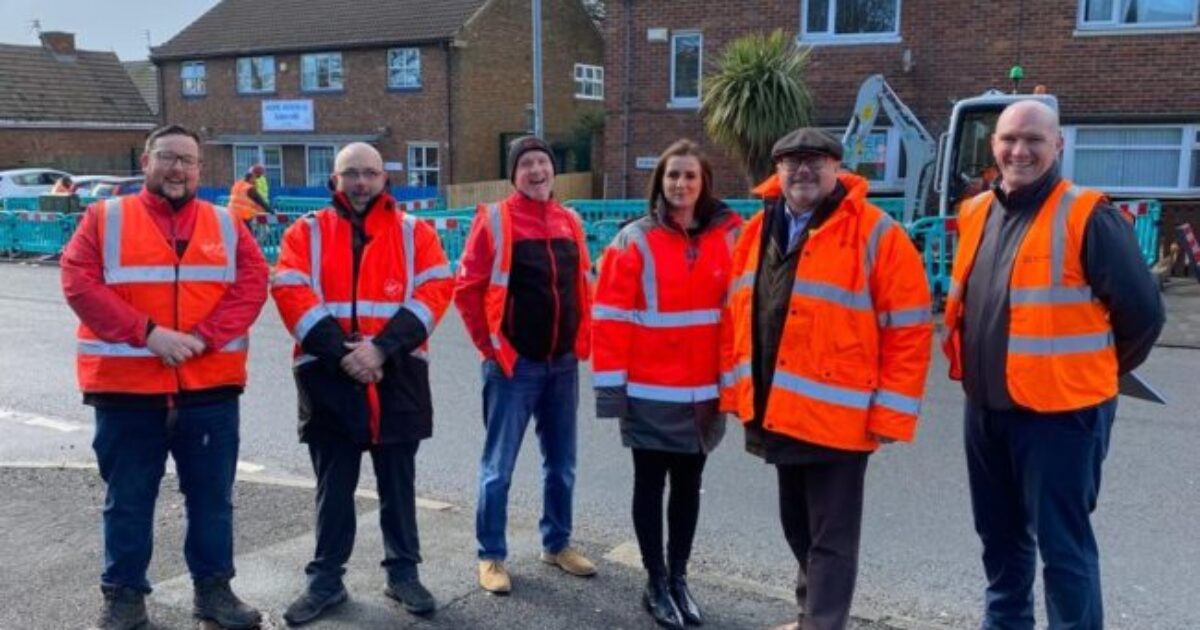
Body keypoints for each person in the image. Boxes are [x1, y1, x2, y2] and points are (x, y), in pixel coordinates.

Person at [943, 100, 1164, 630]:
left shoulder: (1088, 214)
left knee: (1064, 551)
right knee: (1000, 541)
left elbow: (1144, 315)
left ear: (1058, 146)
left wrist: (1091, 372)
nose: (1019, 150)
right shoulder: (976, 212)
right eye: (1009, 139)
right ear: (993, 145)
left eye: (1034, 140)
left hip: (1063, 414)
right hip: (987, 408)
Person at [718, 128, 933, 630]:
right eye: (792, 161)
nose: (803, 170)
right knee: (798, 527)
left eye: (815, 160)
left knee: (831, 539)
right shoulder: (757, 230)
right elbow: (736, 317)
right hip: (776, 410)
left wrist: (890, 414)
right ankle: (809, 614)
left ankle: (822, 622)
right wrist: (735, 393)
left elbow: (908, 329)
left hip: (841, 419)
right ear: (777, 171)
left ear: (838, 168)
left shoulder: (876, 233)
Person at [60, 124, 268, 630]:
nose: (178, 169)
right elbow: (78, 282)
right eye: (168, 158)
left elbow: (252, 283)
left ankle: (214, 592)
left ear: (199, 168)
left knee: (213, 501)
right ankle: (124, 599)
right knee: (129, 501)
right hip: (127, 391)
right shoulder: (105, 217)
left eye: (187, 161)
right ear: (146, 162)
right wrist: (149, 334)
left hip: (209, 389)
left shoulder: (225, 223)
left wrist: (202, 338)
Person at [272, 143, 453, 625]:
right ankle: (326, 581)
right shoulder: (306, 232)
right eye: (350, 173)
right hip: (328, 374)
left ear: (384, 179)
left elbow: (437, 290)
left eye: (370, 173)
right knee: (334, 487)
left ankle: (404, 573)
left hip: (398, 372)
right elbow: (290, 290)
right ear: (334, 180)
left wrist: (381, 349)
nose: (360, 182)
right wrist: (346, 353)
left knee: (398, 482)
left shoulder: (415, 232)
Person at [592, 139, 742, 629]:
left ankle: (678, 578)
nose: (681, 184)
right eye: (673, 175)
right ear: (660, 181)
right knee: (649, 485)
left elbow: (742, 314)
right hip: (649, 392)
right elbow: (609, 319)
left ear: (704, 183)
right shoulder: (633, 240)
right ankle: (655, 581)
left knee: (688, 489)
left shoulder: (731, 237)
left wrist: (738, 385)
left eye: (690, 175)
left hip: (704, 394)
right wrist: (611, 392)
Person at [454, 135, 596, 595]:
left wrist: (580, 342)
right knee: (498, 468)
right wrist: (492, 350)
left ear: (553, 169)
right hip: (514, 366)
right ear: (514, 175)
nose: (537, 171)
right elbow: (467, 290)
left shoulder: (570, 220)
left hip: (562, 364)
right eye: (526, 164)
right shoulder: (495, 219)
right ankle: (491, 555)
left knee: (562, 464)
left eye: (542, 162)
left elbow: (582, 286)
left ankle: (556, 544)